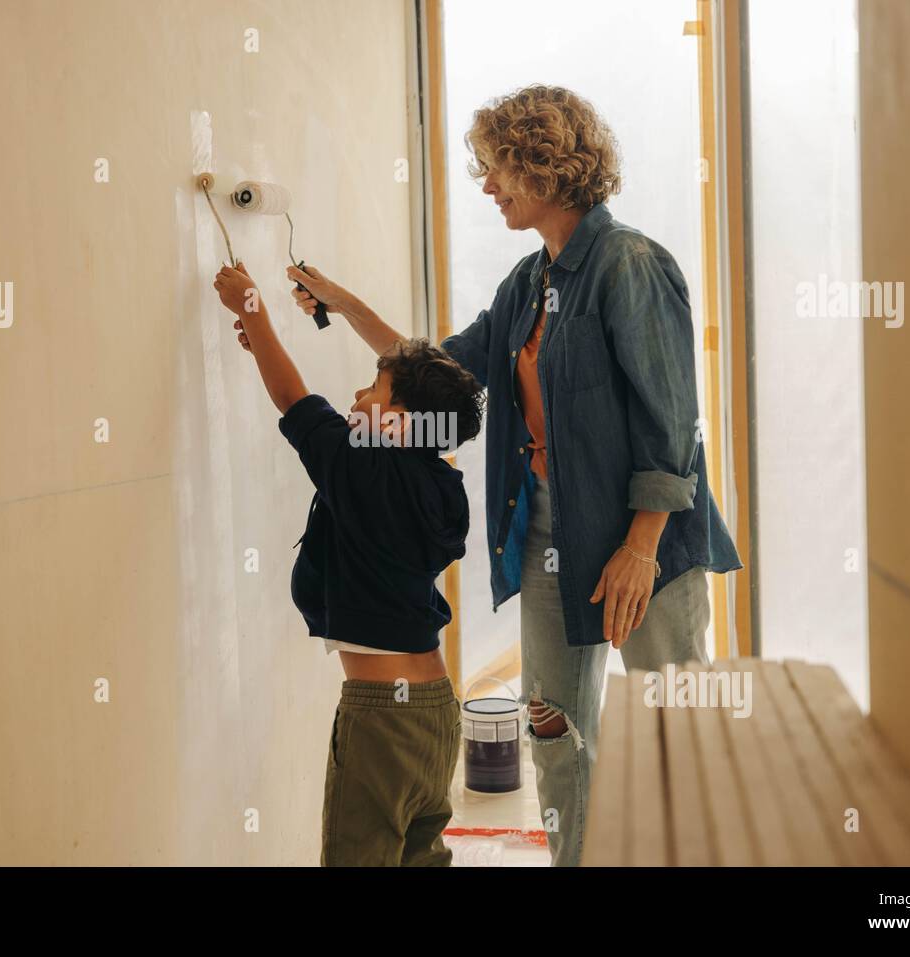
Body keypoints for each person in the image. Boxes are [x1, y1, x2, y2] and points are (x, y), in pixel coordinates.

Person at [285, 85, 742, 866]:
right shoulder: (525, 287)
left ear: (545, 165)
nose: (488, 185)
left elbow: (673, 421)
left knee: (673, 724)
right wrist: (341, 300)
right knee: (554, 725)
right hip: (545, 535)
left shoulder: (629, 264)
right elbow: (433, 369)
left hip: (646, 540)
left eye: (498, 168)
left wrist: (639, 545)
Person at [213, 260, 486, 866]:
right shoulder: (443, 484)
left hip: (381, 715)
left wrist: (252, 309)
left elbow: (294, 399)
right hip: (437, 709)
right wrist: (259, 334)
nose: (359, 396)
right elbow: (427, 404)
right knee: (422, 858)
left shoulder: (362, 470)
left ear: (398, 420)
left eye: (373, 390)